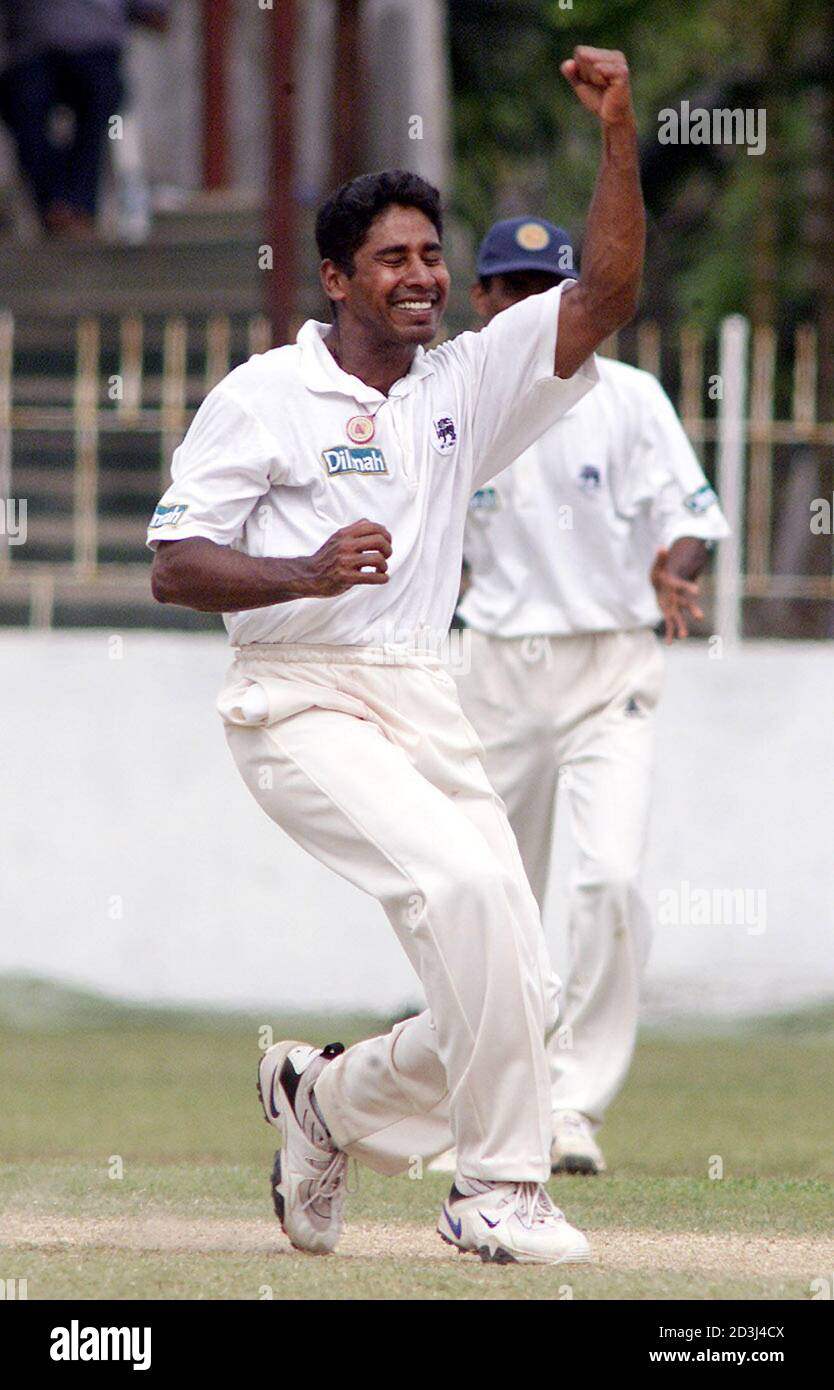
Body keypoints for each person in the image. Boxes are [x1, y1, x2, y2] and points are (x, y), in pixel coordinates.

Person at [148, 47, 644, 1266]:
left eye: (433, 256)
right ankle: (496, 1190)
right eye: (395, 260)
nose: (424, 277)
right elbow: (176, 564)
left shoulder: (466, 383)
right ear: (336, 279)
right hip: (295, 699)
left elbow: (607, 297)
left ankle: (325, 1101)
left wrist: (620, 135)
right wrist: (308, 571)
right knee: (472, 896)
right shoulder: (266, 396)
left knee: (517, 993)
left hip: (424, 697)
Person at [447, 216, 729, 1177]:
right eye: (508, 289)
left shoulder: (632, 400)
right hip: (493, 672)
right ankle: (493, 1108)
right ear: (480, 301)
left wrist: (674, 570)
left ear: (580, 298)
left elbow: (691, 516)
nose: (527, 308)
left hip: (612, 666)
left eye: (546, 288)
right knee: (490, 898)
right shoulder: (457, 401)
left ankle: (573, 1108)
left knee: (607, 879)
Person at [0, 0, 168, 237]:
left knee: (107, 113)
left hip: (98, 54)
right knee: (22, 104)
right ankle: (54, 203)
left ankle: (78, 205)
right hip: (30, 55)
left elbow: (155, 15)